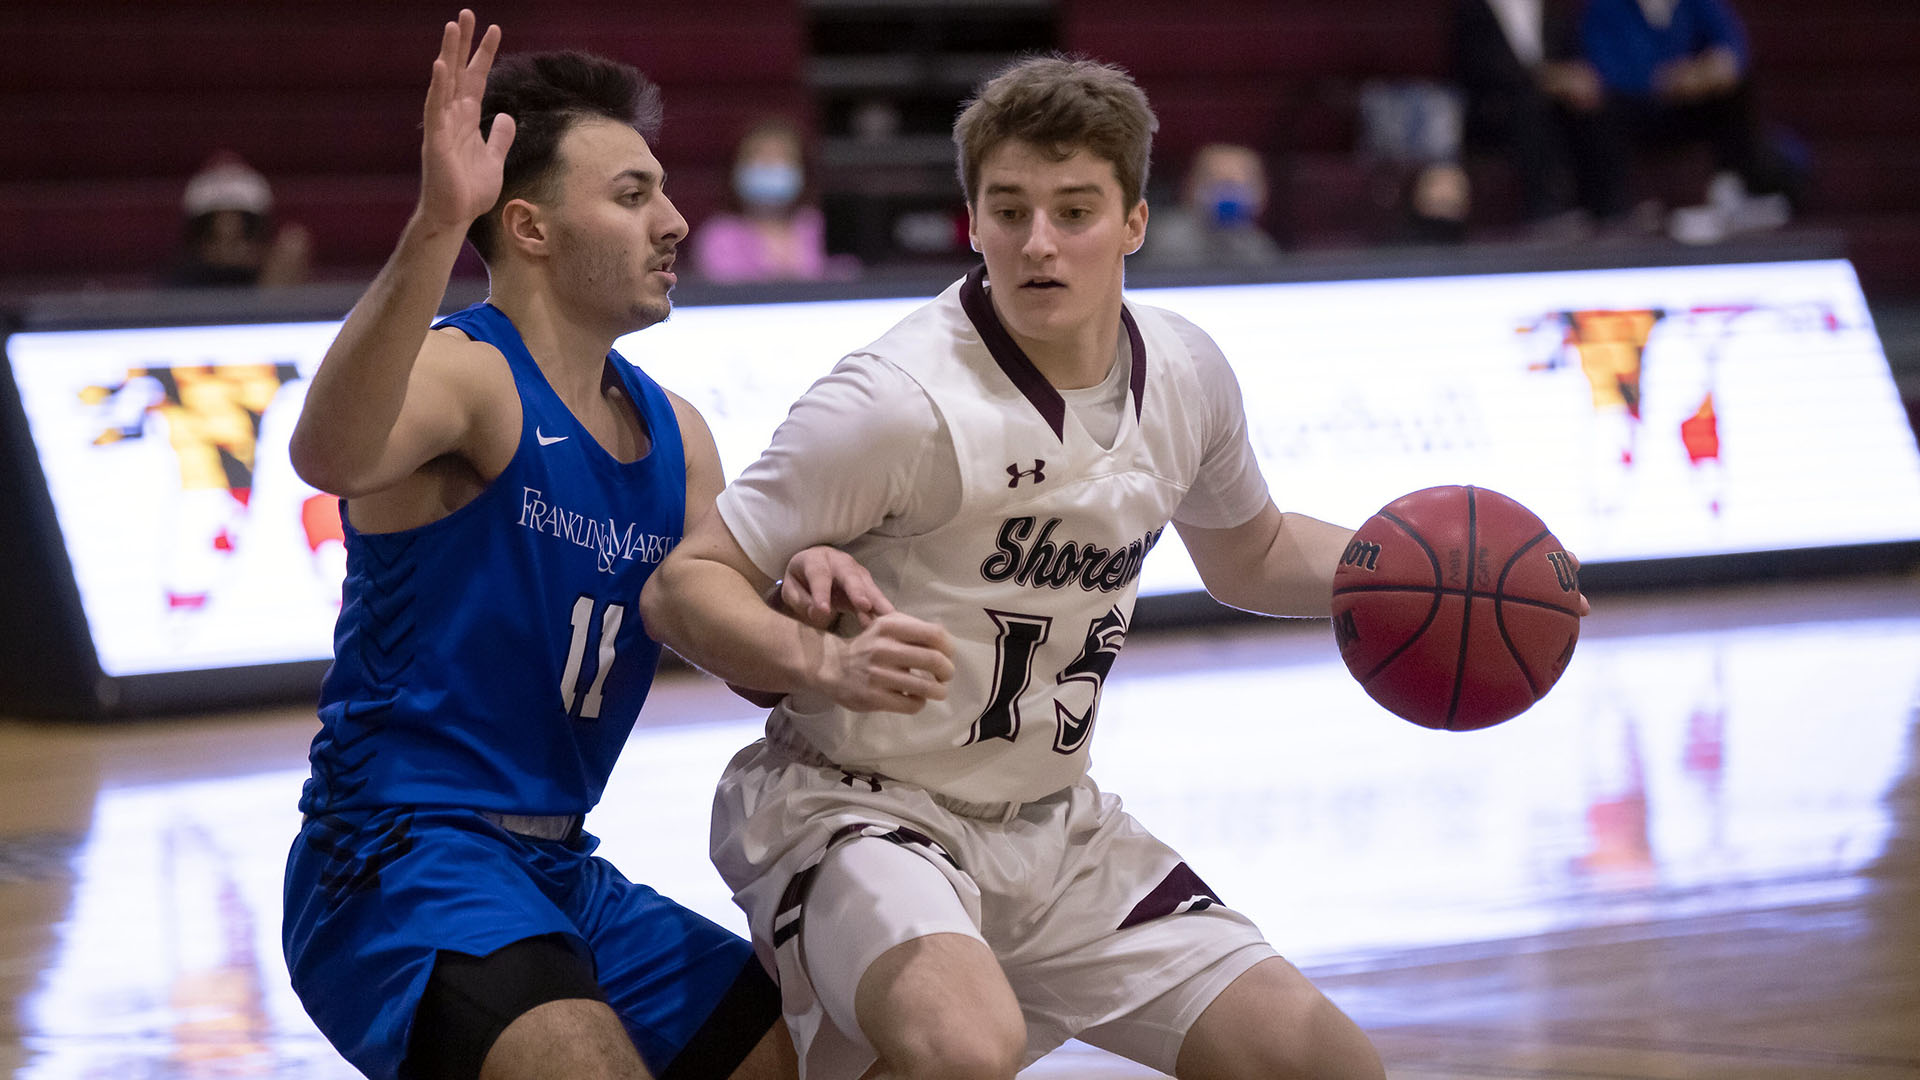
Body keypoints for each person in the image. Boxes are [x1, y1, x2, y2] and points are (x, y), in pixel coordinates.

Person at [641, 56, 1483, 1080]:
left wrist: (1411, 574)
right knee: (964, 1043)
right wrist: (810, 662)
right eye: (1010, 212)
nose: (1039, 243)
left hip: (1056, 825)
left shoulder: (1185, 371)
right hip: (858, 805)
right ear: (975, 220)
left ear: (1133, 220)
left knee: (1325, 1063)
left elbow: (1251, 552)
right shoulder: (894, 400)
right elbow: (685, 584)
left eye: (1074, 211)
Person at [281, 13, 869, 1080]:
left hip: (558, 866)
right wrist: (431, 227)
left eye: (665, 191)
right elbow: (327, 453)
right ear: (531, 228)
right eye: (633, 196)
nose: (678, 222)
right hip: (395, 858)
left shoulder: (678, 431)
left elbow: (741, 657)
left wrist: (810, 616)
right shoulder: (472, 378)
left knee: (793, 1054)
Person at [1577, 0, 1798, 239]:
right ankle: (1615, 209)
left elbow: (1733, 48)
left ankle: (1734, 189)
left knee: (1732, 88)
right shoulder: (1605, 8)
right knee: (1593, 102)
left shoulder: (1697, 4)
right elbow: (1602, 66)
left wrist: (1708, 70)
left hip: (1690, 104)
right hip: (1635, 109)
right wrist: (1664, 79)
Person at [1451, 0, 1603, 233]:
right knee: (1528, 107)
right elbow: (1478, 67)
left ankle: (1606, 211)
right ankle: (1545, 211)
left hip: (1553, 101)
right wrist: (1544, 80)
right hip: (1494, 107)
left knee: (1595, 106)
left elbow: (1567, 55)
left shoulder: (1553, 8)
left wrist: (1575, 80)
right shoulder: (1471, 9)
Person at [690, 118, 857, 283]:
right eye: (759, 157)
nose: (770, 165)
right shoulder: (719, 234)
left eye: (782, 158)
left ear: (801, 171)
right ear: (735, 169)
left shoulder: (816, 224)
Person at [166, 151, 312, 287]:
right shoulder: (184, 279)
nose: (228, 227)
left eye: (239, 217)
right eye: (218, 218)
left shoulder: (272, 274)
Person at [1132, 142, 1283, 269]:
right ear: (1191, 186)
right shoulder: (1167, 241)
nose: (1228, 193)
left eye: (1237, 184)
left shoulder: (1258, 246)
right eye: (1219, 183)